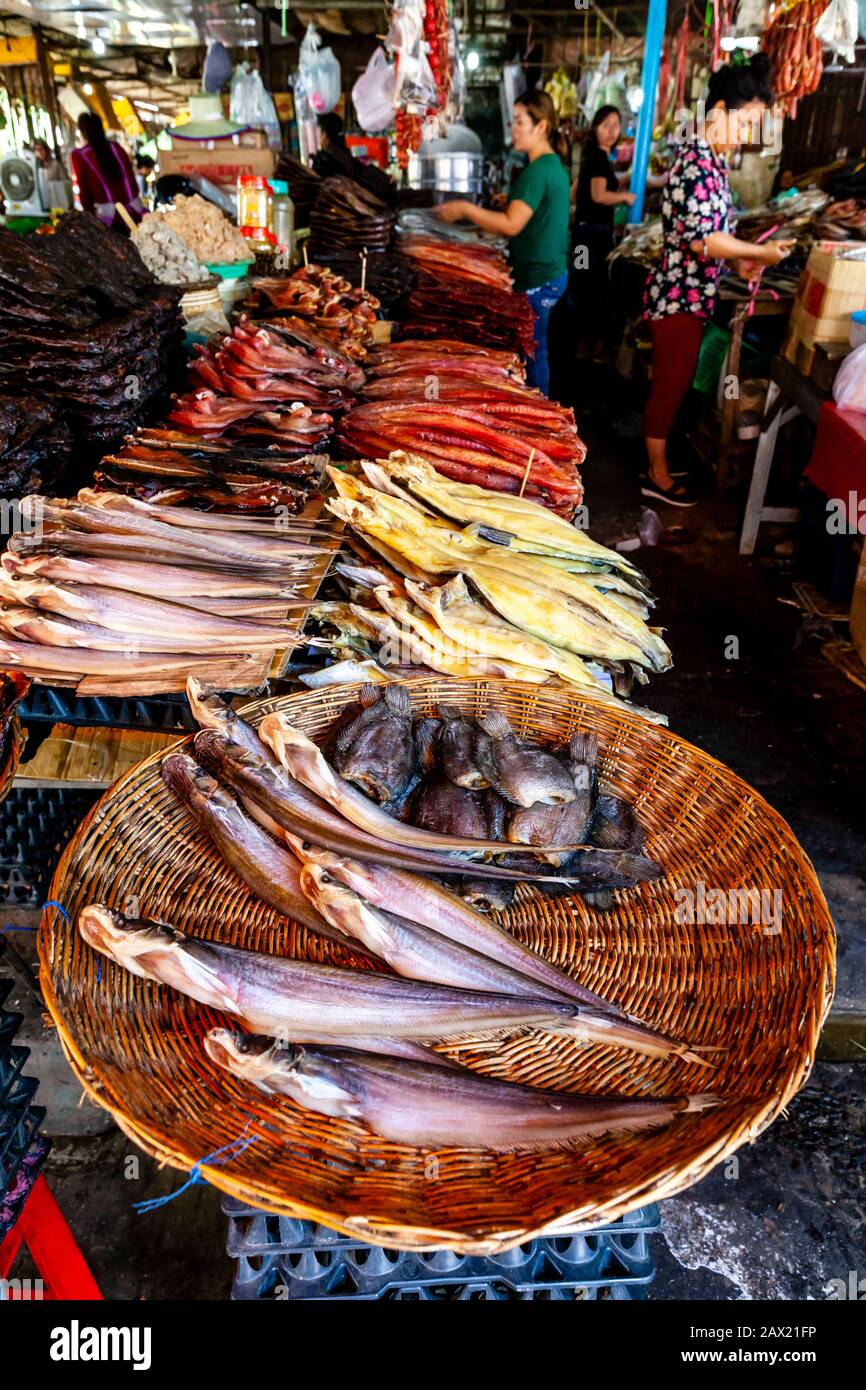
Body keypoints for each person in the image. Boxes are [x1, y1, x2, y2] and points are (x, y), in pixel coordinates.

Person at [642, 55, 794, 506]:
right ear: (722, 111)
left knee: (678, 380)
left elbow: (711, 243)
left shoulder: (711, 162)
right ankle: (656, 475)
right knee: (669, 385)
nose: (747, 136)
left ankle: (660, 459)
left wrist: (736, 265)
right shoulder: (695, 162)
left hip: (692, 294)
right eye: (746, 123)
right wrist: (757, 252)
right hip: (677, 297)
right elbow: (701, 241)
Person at [435, 91, 571, 396]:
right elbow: (534, 213)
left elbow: (512, 224)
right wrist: (509, 202)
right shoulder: (552, 166)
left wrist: (464, 209)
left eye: (521, 121)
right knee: (536, 348)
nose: (514, 128)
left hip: (539, 278)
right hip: (549, 272)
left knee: (533, 353)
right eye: (513, 121)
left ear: (541, 126)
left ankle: (539, 415)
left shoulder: (537, 171)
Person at [571, 105, 635, 361]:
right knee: (594, 286)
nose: (611, 131)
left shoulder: (594, 157)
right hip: (593, 237)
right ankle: (591, 347)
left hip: (582, 235)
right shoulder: (598, 158)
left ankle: (580, 345)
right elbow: (598, 195)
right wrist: (625, 197)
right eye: (605, 125)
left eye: (615, 125)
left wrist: (623, 182)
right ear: (595, 128)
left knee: (582, 283)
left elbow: (576, 192)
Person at [70, 113, 143, 234]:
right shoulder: (116, 148)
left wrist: (90, 217)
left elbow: (85, 192)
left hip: (108, 221)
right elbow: (131, 180)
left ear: (82, 131)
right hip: (135, 213)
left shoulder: (79, 155)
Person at [312, 113, 394, 203]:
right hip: (368, 194)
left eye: (318, 131)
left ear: (324, 134)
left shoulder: (329, 156)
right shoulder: (341, 149)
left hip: (359, 199)